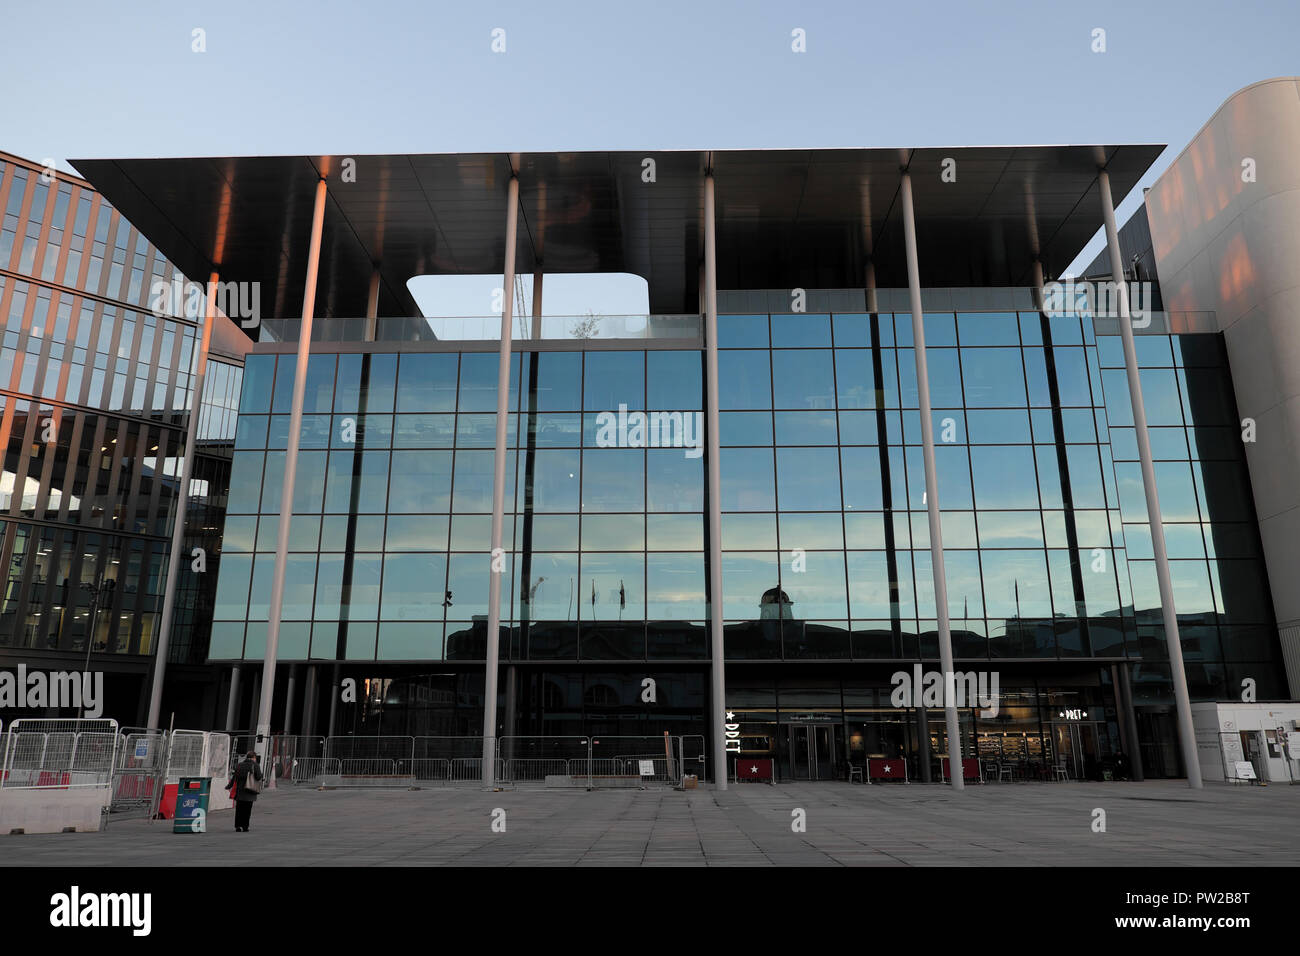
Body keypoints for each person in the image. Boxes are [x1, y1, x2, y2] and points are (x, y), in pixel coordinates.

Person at [226, 750, 264, 832]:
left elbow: (234, 777)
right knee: (247, 810)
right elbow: (258, 777)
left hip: (240, 791)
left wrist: (229, 786)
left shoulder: (240, 765)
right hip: (250, 791)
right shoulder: (255, 765)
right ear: (254, 757)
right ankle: (245, 826)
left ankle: (238, 826)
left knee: (239, 809)